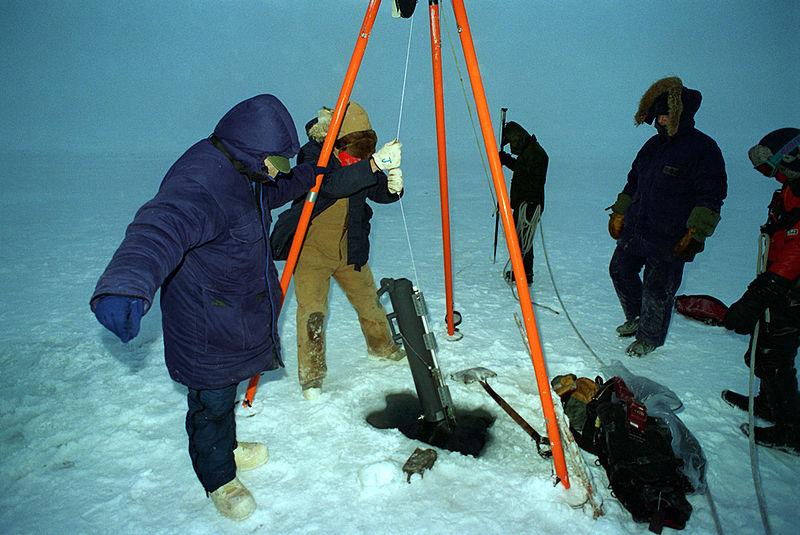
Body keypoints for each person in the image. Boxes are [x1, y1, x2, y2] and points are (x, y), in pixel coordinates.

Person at [90, 94, 324, 520]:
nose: (279, 169)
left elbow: (274, 189)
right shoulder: (201, 183)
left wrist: (314, 171)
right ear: (252, 150)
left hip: (229, 312)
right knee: (211, 403)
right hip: (204, 324)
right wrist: (127, 283)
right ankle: (219, 479)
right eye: (277, 160)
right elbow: (160, 227)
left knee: (224, 391)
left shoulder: (242, 165)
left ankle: (226, 448)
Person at [270, 102, 405, 400]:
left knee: (369, 302)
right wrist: (373, 165)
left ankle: (382, 347)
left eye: (366, 150)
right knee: (313, 312)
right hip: (311, 249)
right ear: (340, 139)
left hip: (350, 245)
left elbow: (376, 189)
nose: (360, 156)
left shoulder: (361, 158)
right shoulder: (314, 153)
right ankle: (312, 376)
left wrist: (393, 187)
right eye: (356, 148)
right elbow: (330, 185)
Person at [608, 76, 727, 357]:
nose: (660, 121)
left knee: (657, 288)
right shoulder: (652, 146)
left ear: (681, 115)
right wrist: (620, 211)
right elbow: (633, 181)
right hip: (637, 227)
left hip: (670, 235)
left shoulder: (703, 149)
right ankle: (638, 316)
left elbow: (711, 195)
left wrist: (695, 233)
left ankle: (649, 337)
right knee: (619, 270)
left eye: (666, 115)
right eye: (658, 116)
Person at [722, 128, 800, 455]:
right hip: (781, 284)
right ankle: (768, 403)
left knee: (776, 356)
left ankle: (792, 431)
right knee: (764, 347)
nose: (771, 174)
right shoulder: (790, 190)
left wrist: (759, 294)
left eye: (772, 165)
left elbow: (795, 254)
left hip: (791, 290)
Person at [498, 121, 549, 284]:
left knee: (522, 239)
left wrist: (506, 160)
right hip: (524, 203)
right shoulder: (530, 151)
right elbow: (521, 168)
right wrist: (506, 160)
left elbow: (526, 172)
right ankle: (524, 272)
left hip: (529, 204)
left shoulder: (536, 154)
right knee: (521, 238)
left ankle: (524, 274)